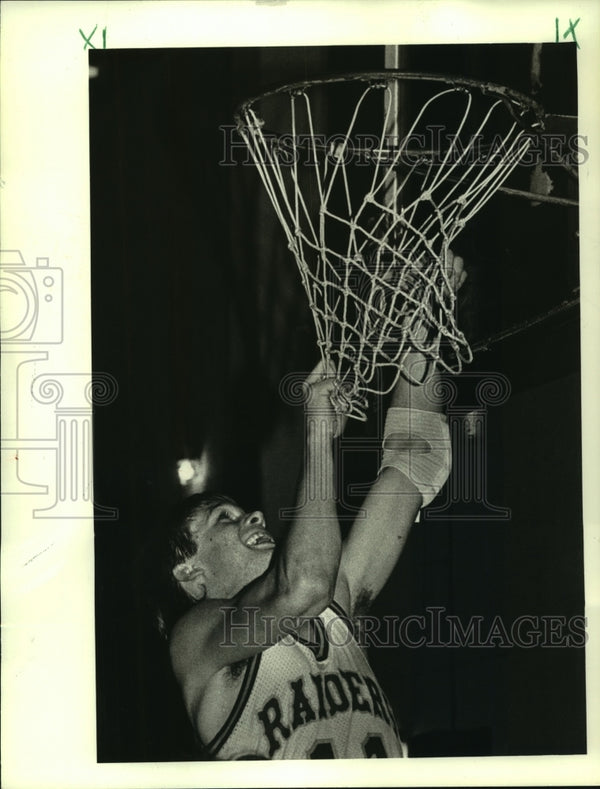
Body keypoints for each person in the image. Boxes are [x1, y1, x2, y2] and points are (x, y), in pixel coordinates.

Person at [163, 254, 466, 760]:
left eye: (241, 511)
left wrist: (423, 328)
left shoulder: (334, 600)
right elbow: (302, 585)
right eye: (225, 518)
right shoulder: (195, 641)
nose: (254, 516)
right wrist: (319, 431)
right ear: (190, 574)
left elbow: (416, 460)